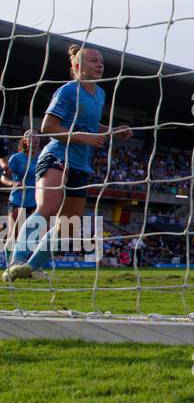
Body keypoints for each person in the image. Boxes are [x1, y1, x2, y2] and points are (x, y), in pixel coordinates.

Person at [4, 46, 133, 282]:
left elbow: (91, 127)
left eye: (101, 61)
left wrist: (113, 131)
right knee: (48, 207)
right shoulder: (68, 91)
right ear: (77, 66)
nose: (99, 64)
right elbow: (48, 127)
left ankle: (30, 269)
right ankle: (16, 260)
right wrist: (86, 138)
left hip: (81, 164)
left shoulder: (101, 94)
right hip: (57, 154)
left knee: (68, 227)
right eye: (93, 60)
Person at [1, 131, 39, 266]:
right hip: (18, 200)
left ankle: (24, 263)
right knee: (14, 235)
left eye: (37, 137)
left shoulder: (42, 158)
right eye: (31, 137)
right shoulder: (16, 158)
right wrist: (13, 183)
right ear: (25, 141)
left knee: (30, 236)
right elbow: (3, 177)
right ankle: (10, 266)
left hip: (36, 202)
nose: (34, 140)